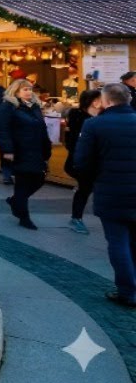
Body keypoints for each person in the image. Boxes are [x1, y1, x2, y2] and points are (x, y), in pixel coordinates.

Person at [72, 84, 136, 307]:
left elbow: (81, 162)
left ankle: (128, 290)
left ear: (106, 101)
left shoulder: (94, 125)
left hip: (112, 191)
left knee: (117, 242)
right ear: (128, 100)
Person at [0, 79, 53, 230]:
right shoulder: (8, 107)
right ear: (16, 91)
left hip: (36, 150)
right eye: (25, 89)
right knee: (22, 184)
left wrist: (47, 148)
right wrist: (7, 150)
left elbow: (42, 128)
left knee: (39, 178)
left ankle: (15, 201)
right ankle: (24, 217)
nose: (29, 92)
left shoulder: (34, 106)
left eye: (30, 89)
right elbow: (3, 129)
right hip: (20, 150)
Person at [63, 89, 103, 235]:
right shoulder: (78, 117)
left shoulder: (103, 116)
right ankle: (76, 218)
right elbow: (71, 142)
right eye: (102, 98)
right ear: (95, 102)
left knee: (87, 189)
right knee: (85, 189)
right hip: (82, 162)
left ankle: (77, 218)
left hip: (97, 162)